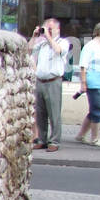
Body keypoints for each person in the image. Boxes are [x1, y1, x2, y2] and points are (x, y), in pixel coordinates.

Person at [31, 17, 69, 151]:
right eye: (46, 28)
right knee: (40, 113)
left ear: (57, 29)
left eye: (50, 28)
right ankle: (42, 139)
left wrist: (48, 36)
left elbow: (59, 51)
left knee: (54, 113)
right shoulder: (42, 44)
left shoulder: (63, 42)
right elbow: (29, 50)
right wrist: (35, 36)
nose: (48, 31)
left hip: (53, 81)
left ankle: (55, 141)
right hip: (40, 80)